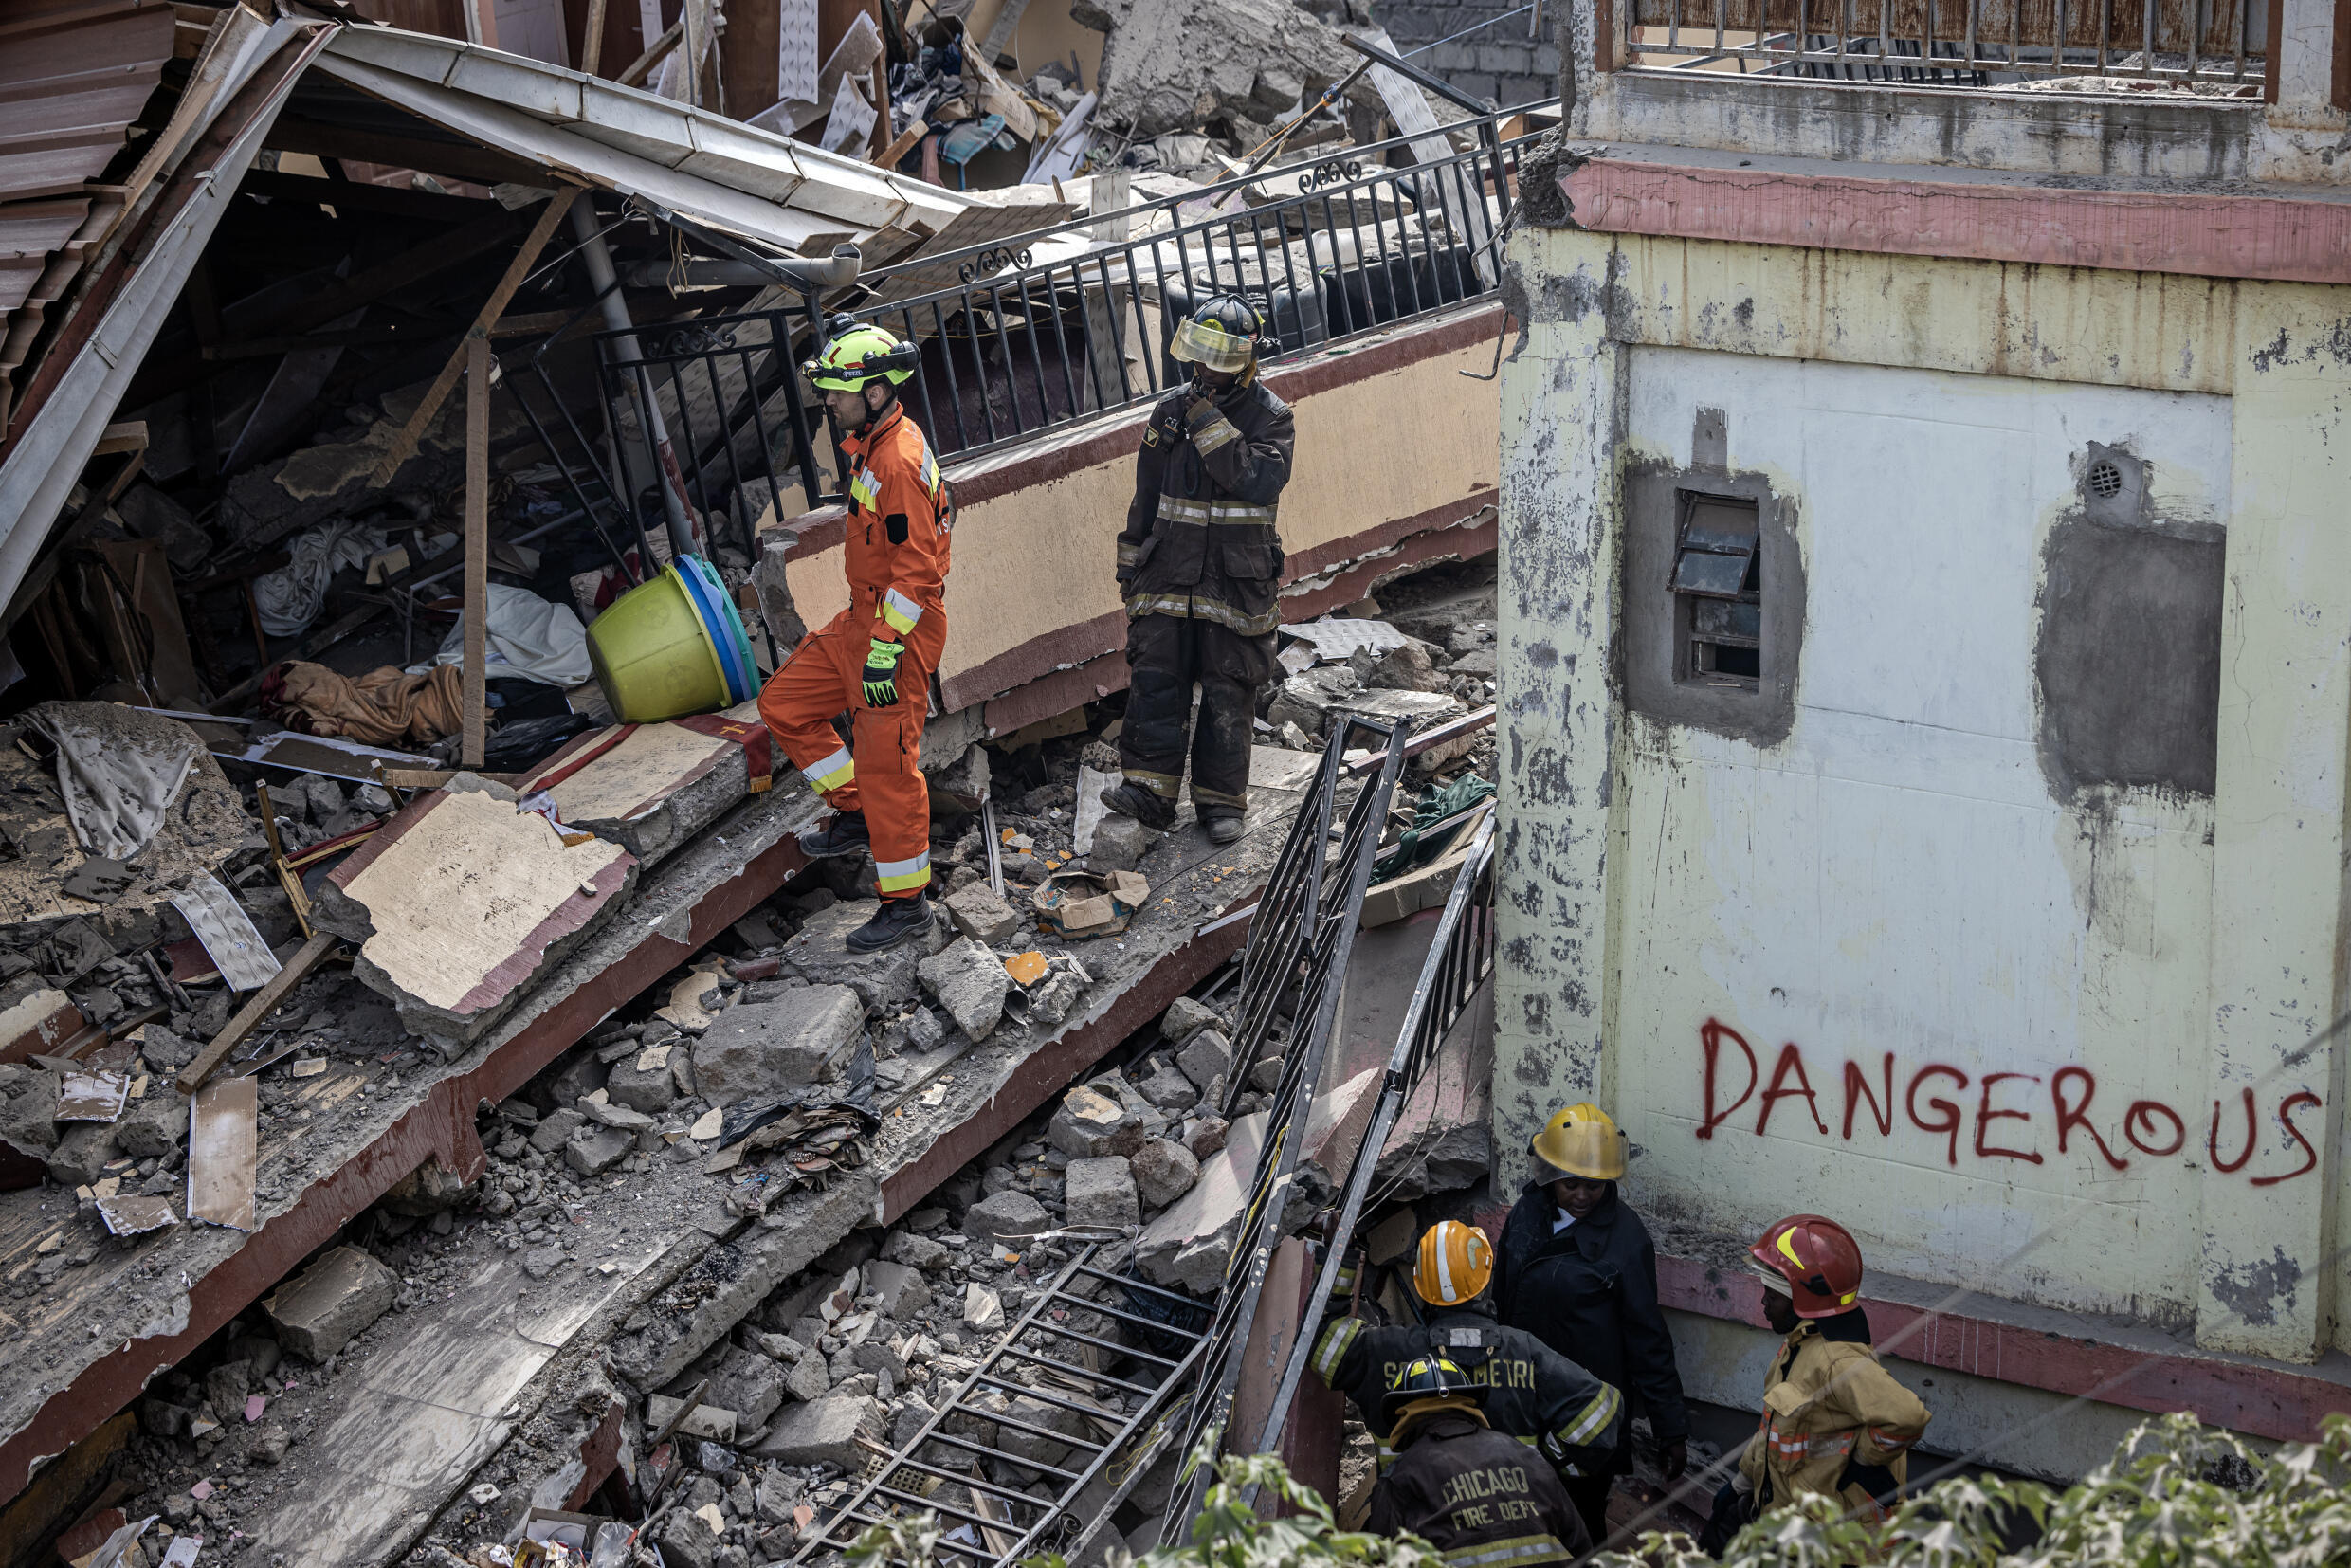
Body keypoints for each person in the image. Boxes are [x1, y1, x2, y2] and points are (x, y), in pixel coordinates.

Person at [757, 319, 951, 954]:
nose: (828, 402)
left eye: (837, 392)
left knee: (889, 769)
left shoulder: (896, 460)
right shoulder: (876, 444)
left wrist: (887, 649)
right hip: (862, 619)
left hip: (895, 632)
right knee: (784, 704)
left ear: (875, 392)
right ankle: (856, 810)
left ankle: (907, 906)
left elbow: (918, 573)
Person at [1099, 294, 1295, 848]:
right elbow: (1146, 495)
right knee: (1156, 679)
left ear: (1247, 360)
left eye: (1219, 359)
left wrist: (1207, 420)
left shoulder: (1272, 418)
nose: (1205, 369)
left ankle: (1221, 802)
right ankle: (1148, 792)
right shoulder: (1168, 413)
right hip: (1168, 573)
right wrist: (1131, 565)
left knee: (1229, 688)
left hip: (1236, 581)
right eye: (1200, 356)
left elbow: (1256, 481)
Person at [1493, 1103, 1691, 1548]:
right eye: (1571, 1184)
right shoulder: (1527, 1213)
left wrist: (1671, 1430)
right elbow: (1500, 1295)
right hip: (1524, 1399)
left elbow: (1647, 1337)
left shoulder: (1626, 1239)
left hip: (1587, 1413)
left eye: (1594, 1185)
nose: (1582, 1196)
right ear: (1551, 1175)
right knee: (1522, 1513)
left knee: (1580, 1521)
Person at [1311, 1220, 1625, 1481]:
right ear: (1484, 1281)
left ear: (1422, 1288)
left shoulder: (1388, 1350)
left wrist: (1339, 1255)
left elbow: (1322, 1342)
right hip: (1512, 1516)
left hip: (1414, 1516)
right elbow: (1602, 1411)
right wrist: (1550, 1464)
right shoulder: (1524, 1352)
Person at [1698, 1214, 1932, 1556]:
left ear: (1804, 1301)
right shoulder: (1798, 1346)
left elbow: (1908, 1417)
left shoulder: (1838, 1361)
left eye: (1773, 1295)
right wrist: (1740, 1485)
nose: (1764, 1303)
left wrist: (1862, 1461)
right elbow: (1773, 1430)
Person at [1366, 1355, 1593, 1568]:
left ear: (1401, 1413)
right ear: (1468, 1402)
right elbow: (1580, 1545)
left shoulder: (1399, 1478)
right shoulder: (1528, 1457)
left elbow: (1379, 1559)